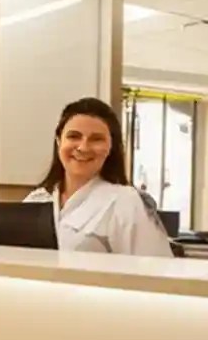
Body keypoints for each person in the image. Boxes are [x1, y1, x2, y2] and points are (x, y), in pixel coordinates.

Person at [24, 97, 173, 257]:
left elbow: (155, 273)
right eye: (74, 136)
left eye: (97, 139)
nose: (83, 147)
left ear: (111, 147)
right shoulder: (36, 200)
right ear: (59, 141)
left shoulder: (125, 202)